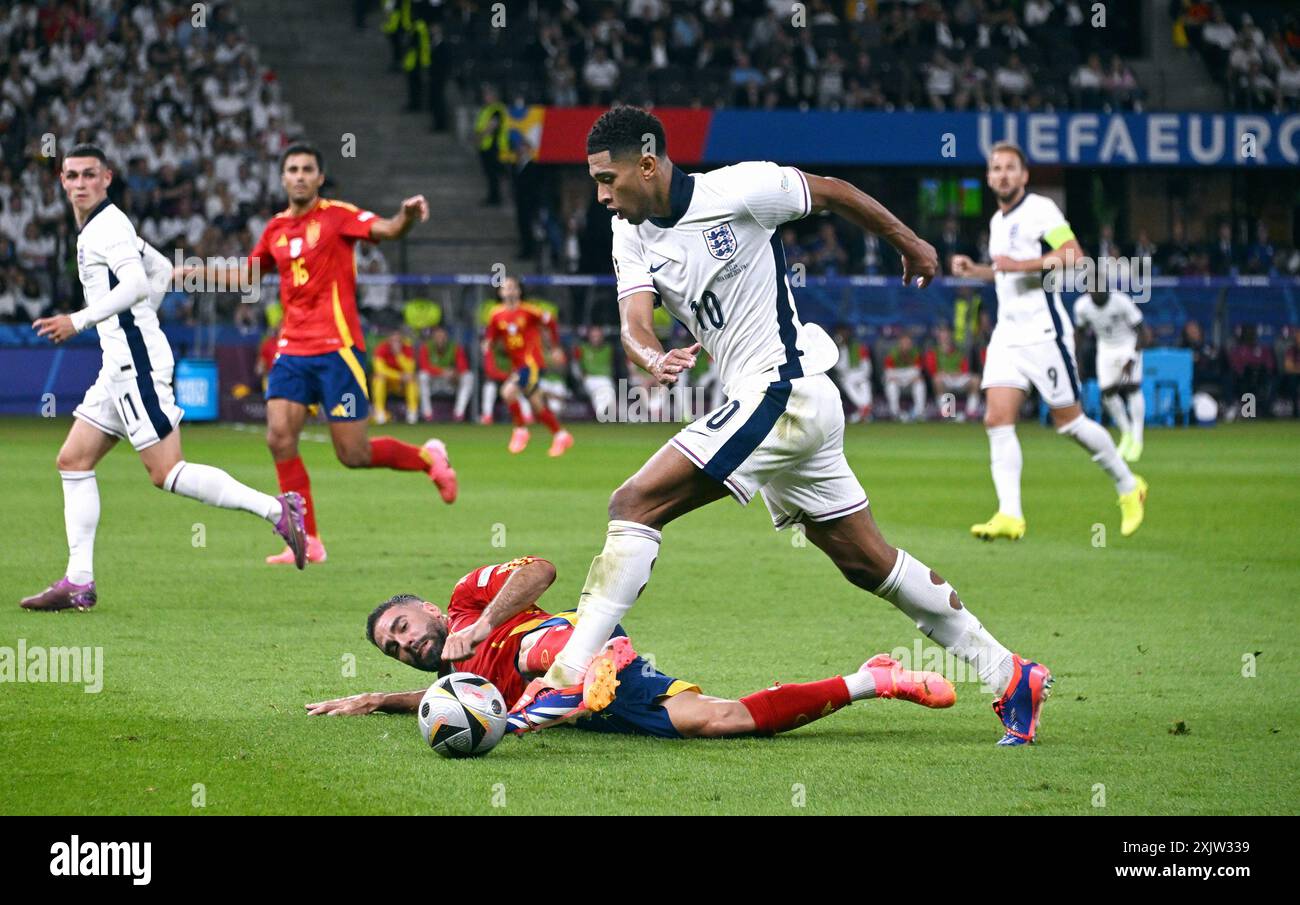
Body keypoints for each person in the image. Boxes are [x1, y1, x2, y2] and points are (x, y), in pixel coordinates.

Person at [515, 106, 1051, 747]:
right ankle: (1012, 674)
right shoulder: (629, 233)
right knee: (866, 562)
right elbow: (634, 320)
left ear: (649, 163)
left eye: (608, 179)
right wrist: (652, 353)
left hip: (783, 391)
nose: (601, 195)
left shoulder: (738, 190)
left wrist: (909, 242)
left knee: (634, 503)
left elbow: (834, 193)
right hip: (784, 407)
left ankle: (570, 673)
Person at [21, 146, 308, 611]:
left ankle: (278, 510)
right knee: (73, 460)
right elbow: (158, 272)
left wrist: (82, 320)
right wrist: (138, 320)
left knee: (166, 472)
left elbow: (136, 283)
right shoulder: (103, 226)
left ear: (107, 178)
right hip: (120, 362)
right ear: (61, 180)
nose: (79, 183)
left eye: (89, 175)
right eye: (71, 175)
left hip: (136, 365)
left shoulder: (108, 227)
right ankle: (78, 581)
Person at [305, 555, 955, 738]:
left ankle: (593, 663)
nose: (406, 643)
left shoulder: (467, 600)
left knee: (538, 653)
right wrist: (375, 698)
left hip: (574, 641)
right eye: (395, 649)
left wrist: (482, 624)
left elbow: (540, 570)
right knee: (723, 719)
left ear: (422, 608)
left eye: (400, 627)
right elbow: (442, 699)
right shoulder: (462, 686)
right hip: (589, 701)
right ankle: (872, 677)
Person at [196, 143, 459, 565]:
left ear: (319, 178)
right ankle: (307, 540)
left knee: (353, 454)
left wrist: (407, 216)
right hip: (292, 351)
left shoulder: (339, 216)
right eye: (292, 169)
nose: (299, 176)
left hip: (338, 350)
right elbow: (246, 274)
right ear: (283, 179)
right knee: (279, 437)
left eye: (307, 170)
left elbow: (389, 230)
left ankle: (429, 458)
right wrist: (190, 271)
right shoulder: (276, 229)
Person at [951, 142, 1147, 541]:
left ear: (1024, 176)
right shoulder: (997, 222)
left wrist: (1017, 264)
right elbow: (1007, 274)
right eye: (996, 168)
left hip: (1044, 333)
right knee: (996, 420)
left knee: (1070, 423)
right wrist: (979, 270)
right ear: (989, 178)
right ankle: (1010, 514)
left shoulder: (1040, 209)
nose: (1003, 174)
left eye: (1010, 168)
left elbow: (1073, 255)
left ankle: (1129, 486)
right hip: (1007, 335)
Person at [483, 276, 574, 456]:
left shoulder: (529, 311)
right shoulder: (496, 314)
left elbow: (551, 321)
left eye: (513, 287)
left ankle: (520, 430)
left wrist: (555, 348)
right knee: (537, 405)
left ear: (518, 291)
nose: (509, 291)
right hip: (517, 365)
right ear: (500, 292)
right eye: (506, 288)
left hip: (532, 363)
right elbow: (491, 337)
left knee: (508, 392)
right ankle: (561, 435)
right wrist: (487, 345)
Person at [1073, 286, 1148, 462]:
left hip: (1127, 345)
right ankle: (1126, 433)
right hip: (1106, 348)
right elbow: (1080, 333)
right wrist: (1078, 361)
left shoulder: (1121, 302)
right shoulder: (1082, 307)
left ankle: (1138, 439)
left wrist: (1132, 357)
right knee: (1107, 393)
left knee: (1132, 388)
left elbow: (1143, 333)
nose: (1096, 292)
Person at [416, 325, 473, 422]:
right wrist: (442, 371)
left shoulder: (455, 347)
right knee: (422, 376)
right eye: (438, 337)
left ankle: (459, 413)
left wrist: (455, 373)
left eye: (443, 337)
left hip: (449, 382)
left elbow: (463, 367)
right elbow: (424, 366)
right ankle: (427, 413)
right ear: (433, 338)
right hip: (433, 382)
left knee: (468, 376)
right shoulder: (426, 347)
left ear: (447, 337)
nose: (440, 339)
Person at [925, 324, 979, 421]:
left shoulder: (958, 351)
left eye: (947, 334)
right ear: (939, 337)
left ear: (950, 336)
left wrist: (957, 373)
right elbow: (931, 370)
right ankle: (947, 412)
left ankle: (971, 412)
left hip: (958, 378)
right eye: (942, 334)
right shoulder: (933, 351)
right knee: (937, 379)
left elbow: (965, 369)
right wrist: (944, 373)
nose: (945, 337)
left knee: (975, 380)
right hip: (945, 379)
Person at [574, 324, 617, 422]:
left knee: (609, 392)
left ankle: (602, 414)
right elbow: (576, 365)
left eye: (598, 336)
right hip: (589, 378)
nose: (595, 338)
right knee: (599, 393)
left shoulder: (608, 348)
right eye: (593, 336)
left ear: (602, 337)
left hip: (605, 379)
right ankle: (602, 413)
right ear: (589, 337)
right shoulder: (582, 348)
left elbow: (613, 365)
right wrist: (581, 376)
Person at [882, 332, 927, 421]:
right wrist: (901, 378)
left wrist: (910, 378)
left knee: (920, 383)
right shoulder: (892, 354)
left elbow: (917, 372)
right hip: (896, 379)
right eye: (904, 343)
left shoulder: (915, 353)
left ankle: (919, 412)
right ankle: (895, 413)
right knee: (891, 385)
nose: (906, 346)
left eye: (908, 344)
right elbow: (889, 374)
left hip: (910, 379)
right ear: (900, 344)